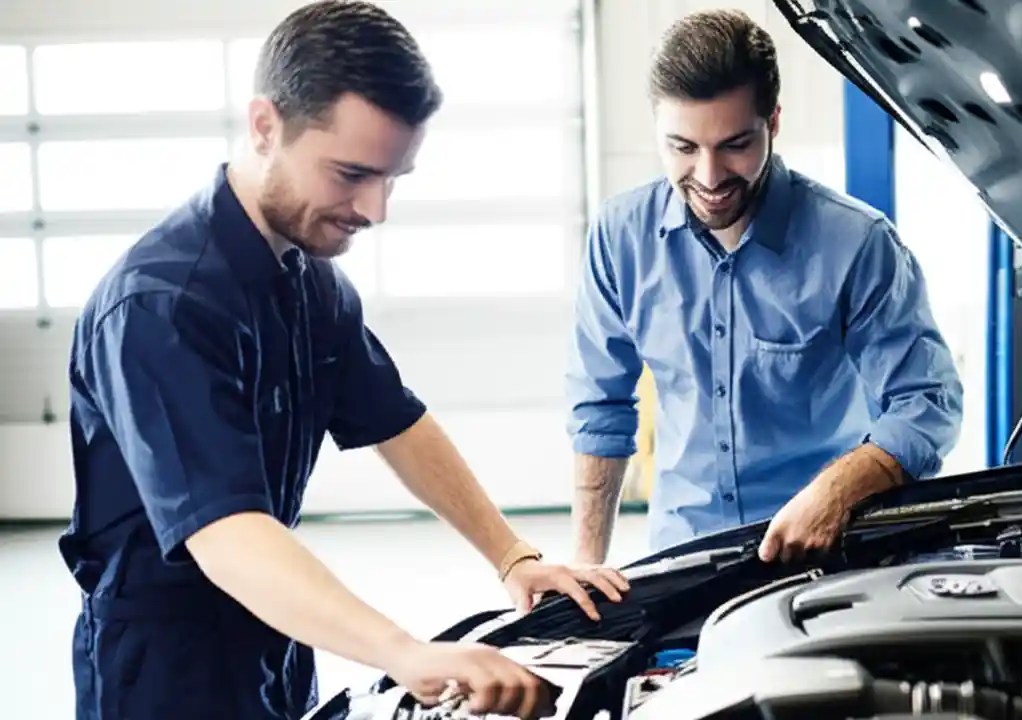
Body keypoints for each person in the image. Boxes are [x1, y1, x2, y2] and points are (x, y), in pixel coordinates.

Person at [60, 2, 627, 719]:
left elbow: (398, 421)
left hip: (277, 627)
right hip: (166, 668)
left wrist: (512, 555)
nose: (376, 209)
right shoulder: (161, 307)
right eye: (351, 174)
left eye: (394, 177)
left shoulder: (309, 276)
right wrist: (405, 653)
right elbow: (226, 537)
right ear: (266, 126)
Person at [567, 9, 962, 566]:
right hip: (683, 557)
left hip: (825, 552)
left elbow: (926, 402)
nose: (707, 177)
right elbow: (599, 405)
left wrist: (834, 492)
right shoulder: (620, 236)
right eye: (682, 147)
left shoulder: (857, 243)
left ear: (773, 123)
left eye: (735, 145)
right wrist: (587, 567)